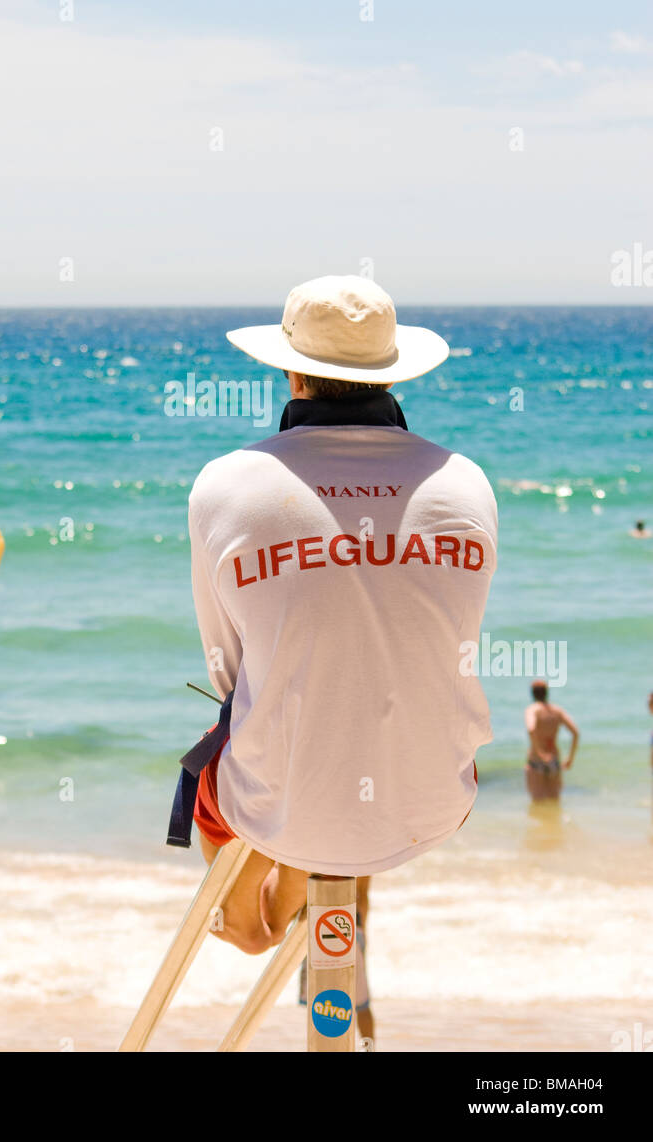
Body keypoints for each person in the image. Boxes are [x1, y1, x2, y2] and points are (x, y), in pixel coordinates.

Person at [167, 274, 498, 1043]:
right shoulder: (467, 483)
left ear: (291, 371)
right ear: (391, 373)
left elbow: (225, 667)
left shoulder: (225, 485)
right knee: (363, 708)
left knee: (241, 729)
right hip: (430, 804)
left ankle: (261, 909)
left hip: (286, 800)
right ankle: (312, 873)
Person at [524, 681, 579, 801]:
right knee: (555, 802)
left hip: (536, 760)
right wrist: (570, 758)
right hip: (554, 760)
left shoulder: (532, 710)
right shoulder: (557, 711)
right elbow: (575, 733)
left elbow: (531, 729)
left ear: (532, 694)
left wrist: (539, 752)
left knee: (537, 803)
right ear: (546, 693)